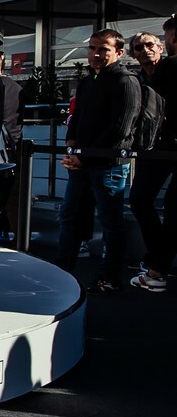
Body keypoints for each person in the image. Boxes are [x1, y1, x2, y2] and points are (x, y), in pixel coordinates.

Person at [53, 29, 141, 293]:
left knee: (110, 221)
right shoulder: (88, 81)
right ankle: (61, 272)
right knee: (69, 216)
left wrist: (83, 156)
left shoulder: (125, 81)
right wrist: (72, 150)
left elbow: (120, 129)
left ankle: (109, 278)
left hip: (109, 165)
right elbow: (76, 119)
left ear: (118, 52)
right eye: (92, 48)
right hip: (82, 163)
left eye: (102, 48)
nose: (95, 54)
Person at [127, 26, 173, 293]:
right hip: (151, 147)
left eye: (150, 45)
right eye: (139, 47)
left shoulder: (171, 71)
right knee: (139, 199)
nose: (145, 50)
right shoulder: (136, 80)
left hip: (170, 145)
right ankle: (157, 255)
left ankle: (158, 262)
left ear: (160, 47)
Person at [0, 47, 25, 244]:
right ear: (2, 60)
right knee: (11, 193)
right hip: (11, 144)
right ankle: (15, 233)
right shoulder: (17, 89)